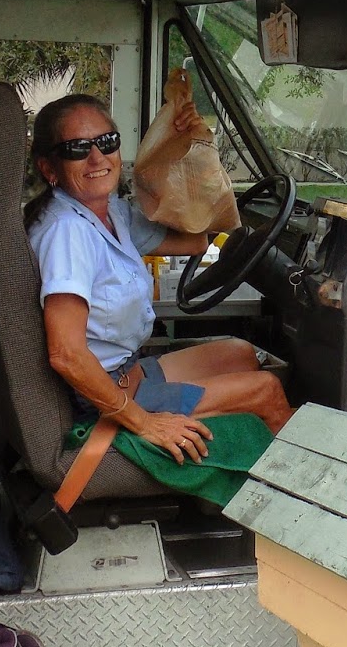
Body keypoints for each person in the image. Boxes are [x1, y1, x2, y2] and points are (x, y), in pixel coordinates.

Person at [25, 94, 292, 466]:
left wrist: (187, 146)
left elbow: (196, 239)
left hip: (128, 372)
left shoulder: (110, 213)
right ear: (49, 167)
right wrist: (145, 422)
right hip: (100, 396)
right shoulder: (68, 231)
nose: (97, 157)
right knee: (267, 390)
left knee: (240, 353)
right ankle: (306, 491)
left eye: (106, 142)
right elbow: (67, 355)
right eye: (77, 149)